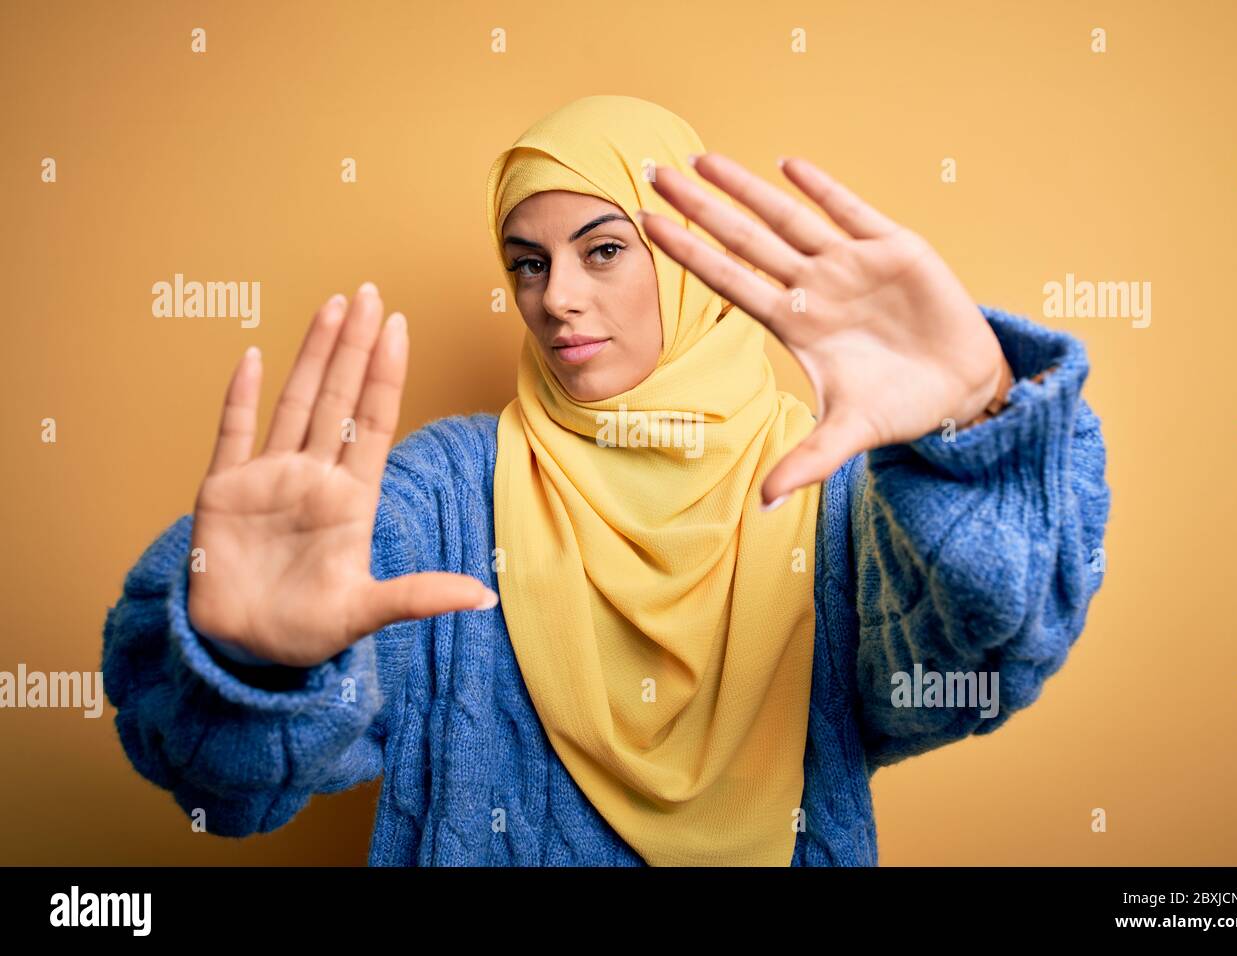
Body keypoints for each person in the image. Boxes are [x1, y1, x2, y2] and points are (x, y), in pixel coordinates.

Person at [102, 94, 1110, 866]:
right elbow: (221, 784)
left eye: (604, 249)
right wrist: (246, 664)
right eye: (527, 263)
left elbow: (985, 664)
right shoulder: (452, 489)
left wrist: (975, 420)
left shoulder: (826, 479)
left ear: (686, 260)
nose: (557, 298)